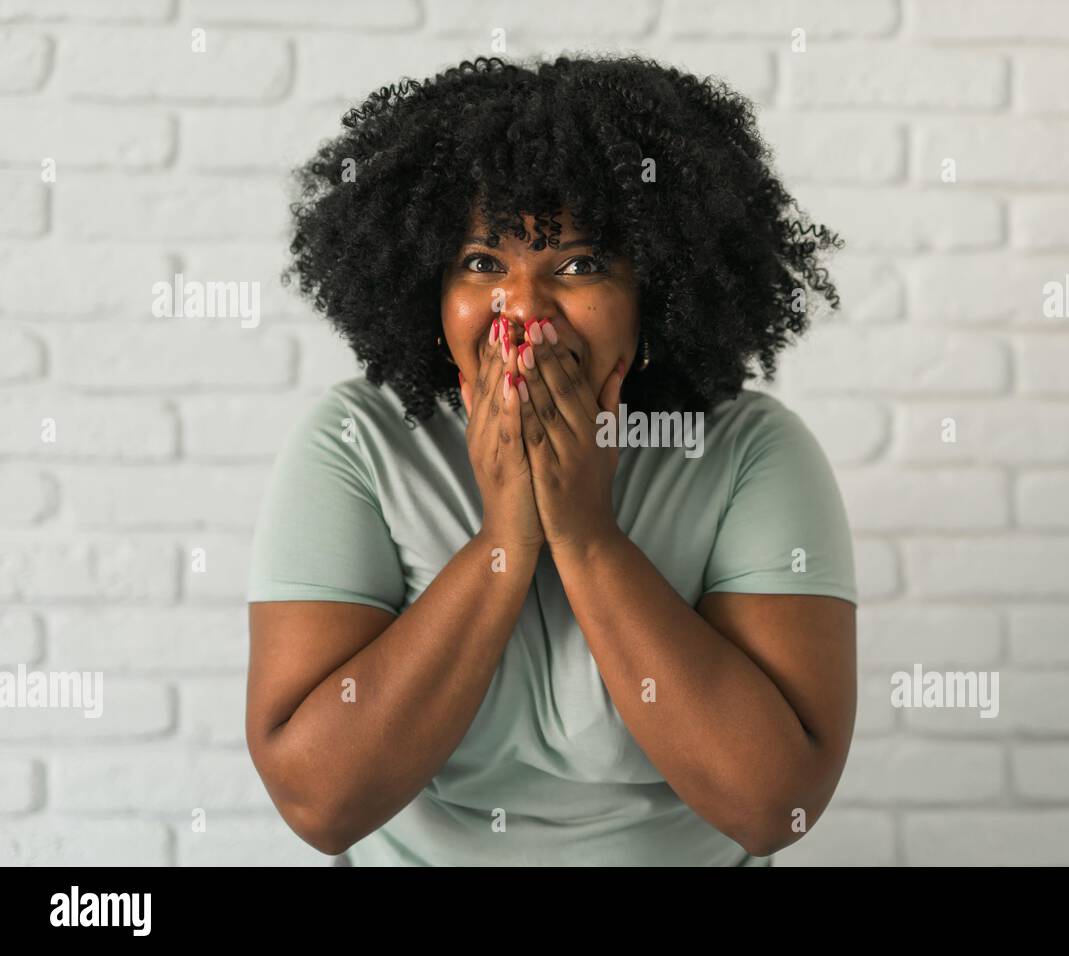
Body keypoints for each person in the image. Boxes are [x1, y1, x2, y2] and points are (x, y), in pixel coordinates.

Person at [245, 53, 858, 866]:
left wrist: (584, 532)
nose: (523, 309)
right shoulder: (357, 444)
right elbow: (319, 804)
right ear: (431, 290)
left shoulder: (751, 454)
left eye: (579, 264)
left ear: (658, 291)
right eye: (481, 263)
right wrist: (506, 536)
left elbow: (773, 806)